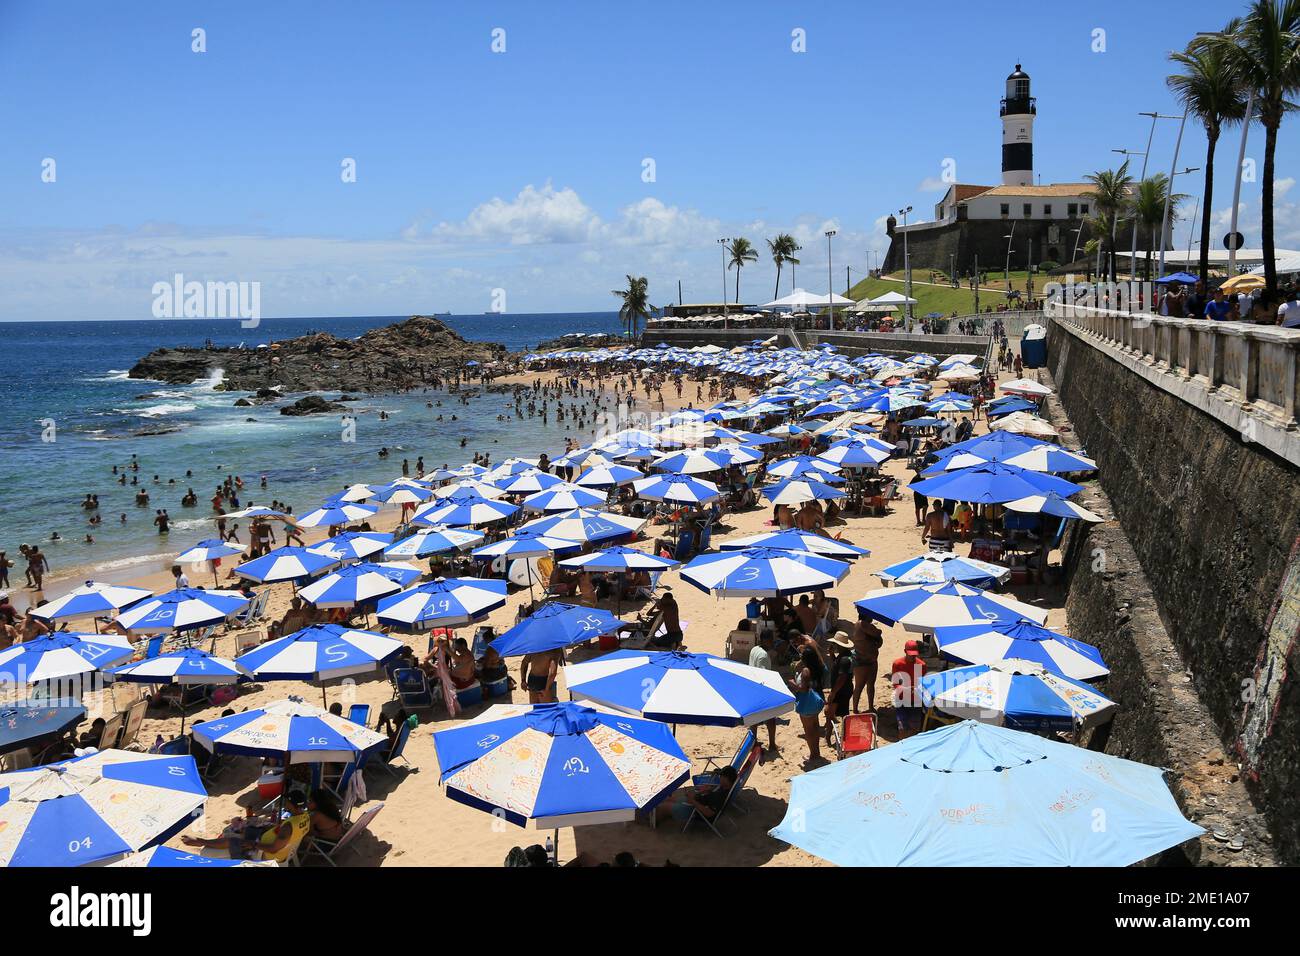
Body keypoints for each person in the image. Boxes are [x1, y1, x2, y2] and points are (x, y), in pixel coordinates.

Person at [183, 790, 311, 862]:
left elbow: (273, 849)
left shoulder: (288, 827)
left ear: (291, 804)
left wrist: (253, 844)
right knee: (249, 828)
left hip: (265, 854)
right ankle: (208, 841)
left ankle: (201, 841)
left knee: (233, 841)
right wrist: (271, 827)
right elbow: (285, 835)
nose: (286, 804)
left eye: (287, 802)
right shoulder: (305, 817)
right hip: (282, 847)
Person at [652, 765, 738, 827]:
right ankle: (662, 815)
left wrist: (692, 800)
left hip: (694, 810)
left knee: (662, 807)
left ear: (726, 779)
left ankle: (651, 823)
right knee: (669, 799)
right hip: (694, 802)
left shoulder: (721, 795)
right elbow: (711, 797)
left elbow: (709, 813)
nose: (719, 778)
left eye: (721, 776)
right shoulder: (724, 788)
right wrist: (707, 790)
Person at [788, 645, 824, 765]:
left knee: (809, 731)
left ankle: (813, 755)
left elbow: (803, 689)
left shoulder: (806, 670)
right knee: (815, 727)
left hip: (806, 703)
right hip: (815, 702)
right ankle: (816, 753)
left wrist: (792, 683)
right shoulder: (818, 667)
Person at [747, 630, 779, 750]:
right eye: (771, 639)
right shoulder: (763, 655)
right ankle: (772, 744)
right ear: (767, 640)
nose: (773, 642)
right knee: (771, 718)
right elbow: (763, 676)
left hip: (752, 688)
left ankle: (753, 742)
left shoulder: (754, 649)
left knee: (754, 718)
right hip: (762, 690)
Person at [890, 639, 928, 738]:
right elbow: (895, 683)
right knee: (902, 728)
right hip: (901, 699)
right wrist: (905, 689)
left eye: (914, 654)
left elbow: (923, 683)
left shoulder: (921, 665)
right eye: (910, 654)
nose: (912, 656)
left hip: (916, 701)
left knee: (914, 729)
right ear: (905, 651)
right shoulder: (898, 664)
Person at [824, 634, 855, 747]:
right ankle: (845, 736)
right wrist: (832, 655)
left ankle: (828, 738)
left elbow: (842, 678)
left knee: (830, 713)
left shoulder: (844, 659)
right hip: (846, 688)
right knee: (844, 713)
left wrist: (833, 692)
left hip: (840, 689)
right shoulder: (845, 656)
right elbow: (837, 666)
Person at [851, 609, 884, 712]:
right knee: (861, 686)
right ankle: (857, 709)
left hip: (869, 660)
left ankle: (867, 707)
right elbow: (877, 632)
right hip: (863, 661)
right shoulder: (862, 624)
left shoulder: (861, 625)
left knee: (868, 685)